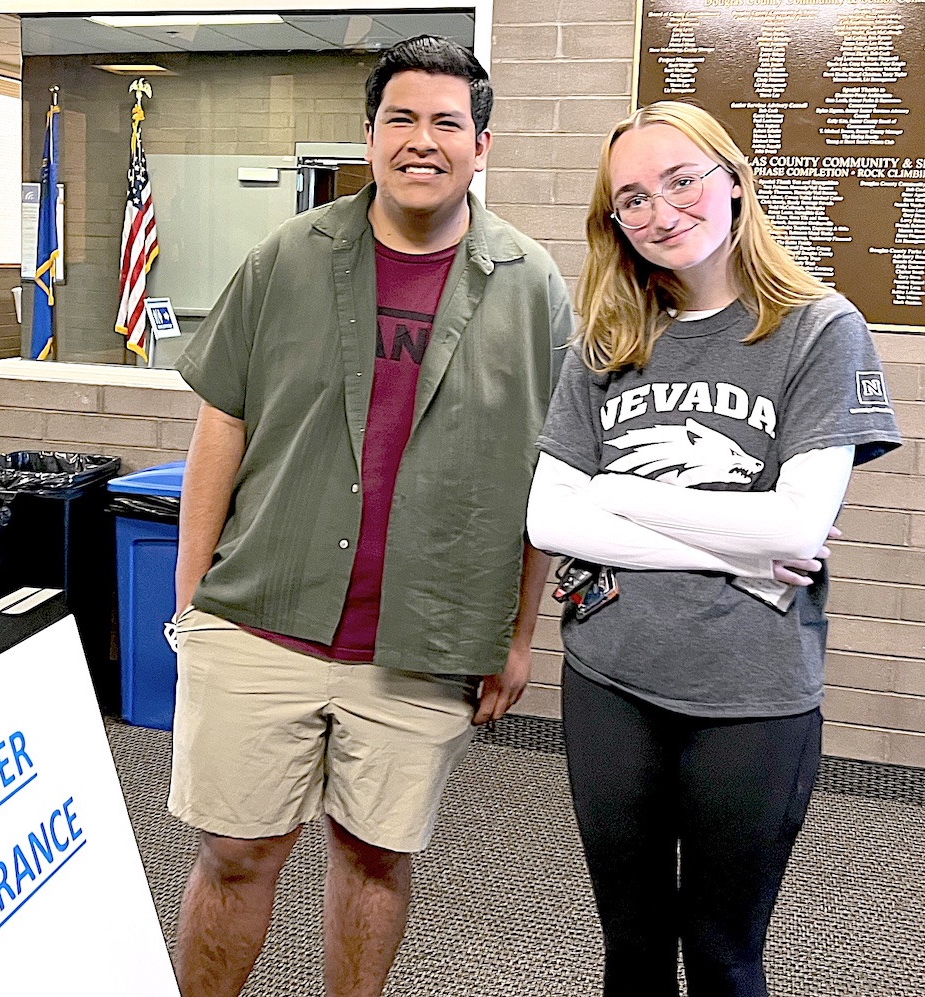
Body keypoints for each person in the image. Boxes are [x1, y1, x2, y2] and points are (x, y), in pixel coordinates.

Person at [168, 35, 572, 997]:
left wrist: (519, 635)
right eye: (401, 119)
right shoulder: (286, 259)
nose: (422, 140)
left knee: (376, 858)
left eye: (446, 122)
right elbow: (220, 429)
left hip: (425, 639)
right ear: (369, 134)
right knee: (235, 852)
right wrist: (193, 602)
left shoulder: (532, 285)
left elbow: (544, 480)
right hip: (261, 616)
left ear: (482, 145)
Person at [526, 100, 901, 996]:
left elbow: (794, 529)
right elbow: (548, 520)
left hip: (753, 692)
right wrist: (735, 546)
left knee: (725, 953)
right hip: (610, 677)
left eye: (682, 180)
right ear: (614, 221)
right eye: (633, 199)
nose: (661, 211)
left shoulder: (820, 328)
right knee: (632, 948)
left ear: (734, 181)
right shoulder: (603, 341)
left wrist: (615, 492)